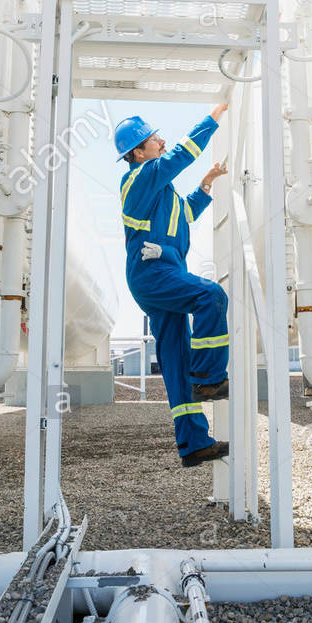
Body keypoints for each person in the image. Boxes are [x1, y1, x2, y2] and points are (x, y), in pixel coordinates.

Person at [115, 104, 231, 468]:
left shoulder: (162, 192)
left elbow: (187, 212)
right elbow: (180, 155)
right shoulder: (139, 179)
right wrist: (212, 120)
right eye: (154, 138)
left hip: (162, 275)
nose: (161, 141)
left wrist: (207, 182)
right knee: (211, 296)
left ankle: (194, 444)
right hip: (153, 274)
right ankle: (209, 378)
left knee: (175, 361)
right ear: (138, 152)